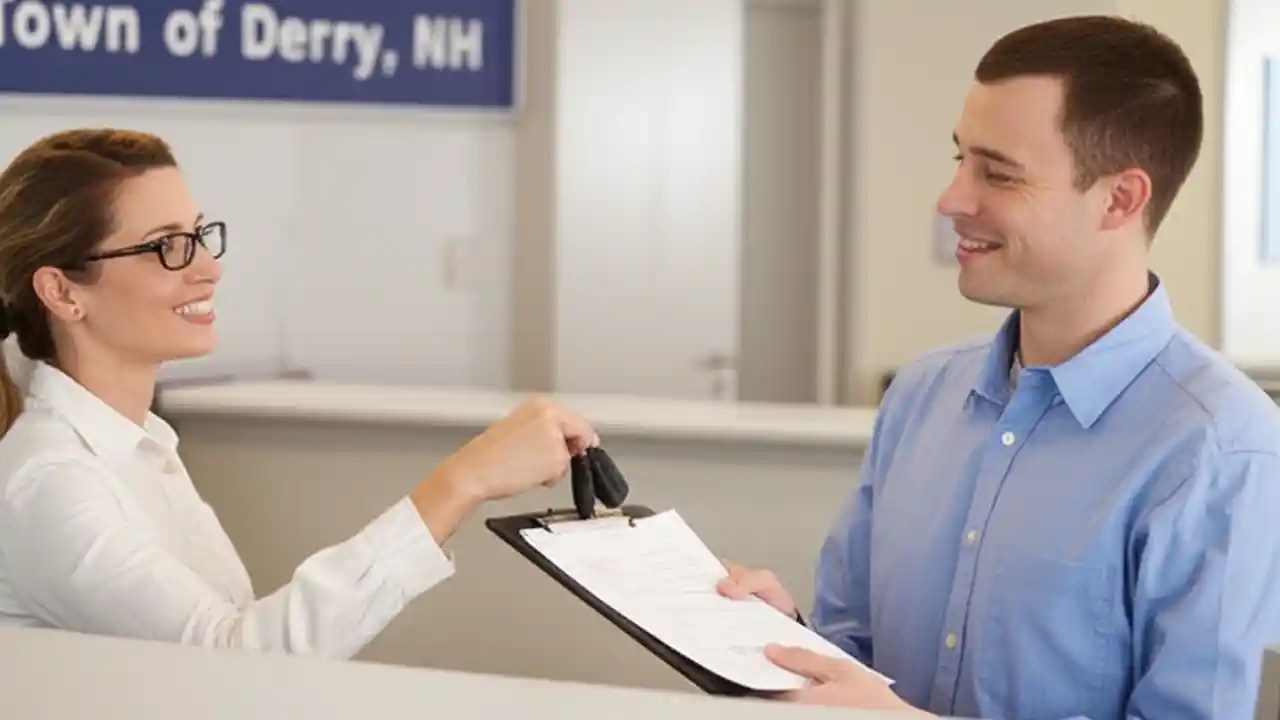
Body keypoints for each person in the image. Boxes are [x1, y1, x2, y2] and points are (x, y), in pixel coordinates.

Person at [718, 15, 1280, 720]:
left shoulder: (1224, 451)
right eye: (960, 159)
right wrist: (784, 643)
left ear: (1119, 199)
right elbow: (855, 663)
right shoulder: (921, 396)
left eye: (999, 173)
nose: (951, 199)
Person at [0, 128, 599, 658]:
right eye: (166, 246)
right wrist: (463, 481)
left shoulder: (141, 451)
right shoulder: (48, 483)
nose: (208, 267)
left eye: (200, 235)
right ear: (61, 291)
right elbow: (232, 662)